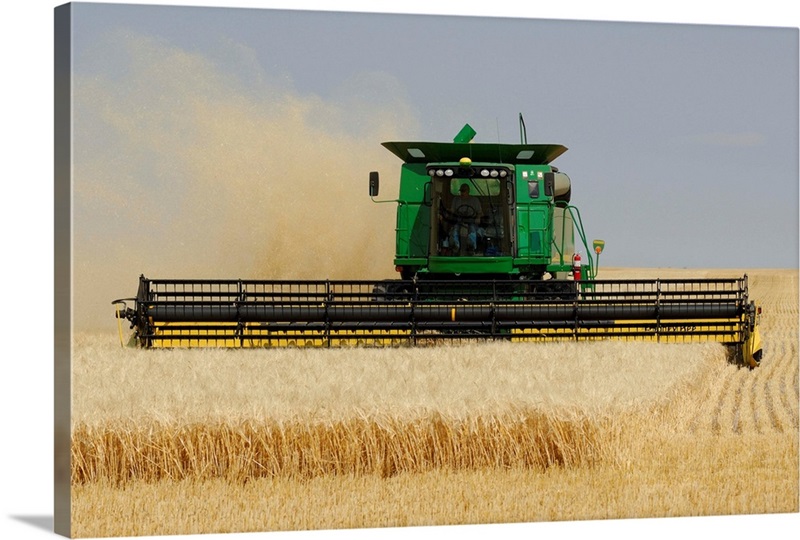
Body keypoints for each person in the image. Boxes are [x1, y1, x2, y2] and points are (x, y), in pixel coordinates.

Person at [448, 183, 482, 254]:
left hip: (471, 220)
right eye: (461, 191)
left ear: (468, 191)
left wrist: (478, 218)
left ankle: (471, 247)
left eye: (464, 191)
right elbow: (452, 211)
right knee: (455, 229)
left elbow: (480, 212)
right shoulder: (456, 200)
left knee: (472, 230)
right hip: (459, 219)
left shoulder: (474, 200)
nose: (462, 193)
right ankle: (455, 247)